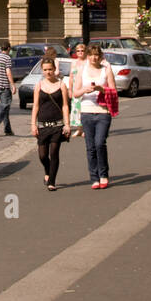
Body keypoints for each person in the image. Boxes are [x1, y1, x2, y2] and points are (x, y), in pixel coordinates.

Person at [73, 44, 117, 189]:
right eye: (91, 54)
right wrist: (85, 89)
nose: (94, 57)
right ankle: (94, 177)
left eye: (96, 54)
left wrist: (101, 89)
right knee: (90, 147)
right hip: (86, 112)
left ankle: (104, 174)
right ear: (87, 56)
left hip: (103, 112)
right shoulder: (82, 70)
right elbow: (75, 93)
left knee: (100, 143)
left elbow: (114, 91)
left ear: (100, 56)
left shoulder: (106, 70)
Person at [31, 57, 70, 190]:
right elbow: (35, 106)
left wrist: (67, 124)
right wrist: (33, 124)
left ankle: (52, 181)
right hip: (42, 124)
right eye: (45, 70)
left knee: (54, 152)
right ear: (42, 70)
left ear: (55, 70)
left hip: (57, 124)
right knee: (42, 155)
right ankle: (48, 171)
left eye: (50, 69)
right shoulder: (39, 85)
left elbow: (65, 106)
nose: (48, 72)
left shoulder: (61, 85)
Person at [67, 42, 87, 139]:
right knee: (76, 109)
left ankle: (85, 129)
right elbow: (71, 77)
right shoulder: (73, 62)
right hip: (75, 89)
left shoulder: (87, 62)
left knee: (84, 110)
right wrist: (70, 90)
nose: (80, 52)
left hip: (84, 89)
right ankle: (79, 129)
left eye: (82, 51)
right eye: (78, 51)